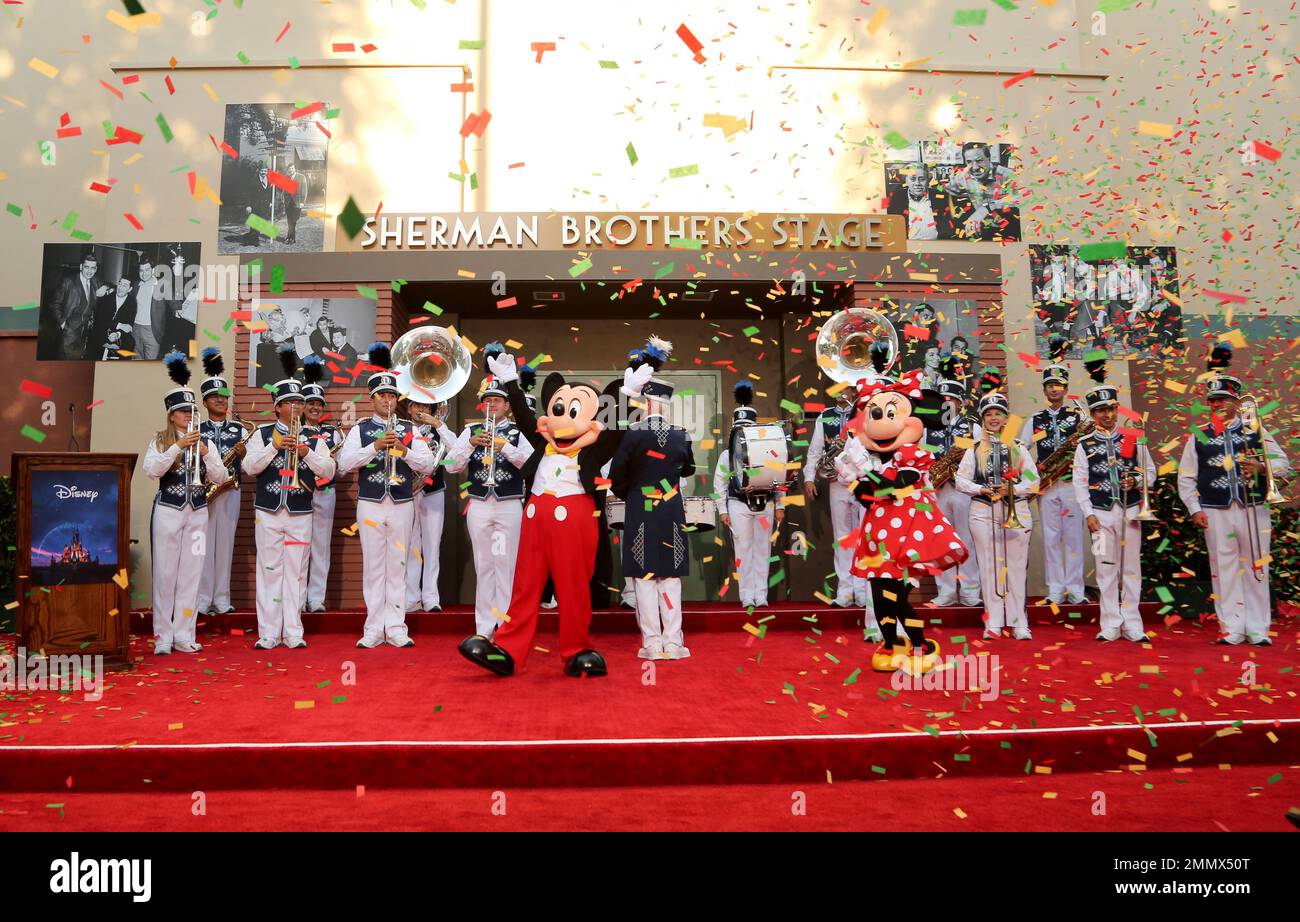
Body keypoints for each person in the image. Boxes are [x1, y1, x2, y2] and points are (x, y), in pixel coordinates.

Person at [458, 349, 651, 677]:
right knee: (524, 586)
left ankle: (577, 648)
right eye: (558, 409)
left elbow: (617, 431)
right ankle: (506, 649)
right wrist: (509, 382)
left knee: (573, 587)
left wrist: (629, 396)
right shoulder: (541, 444)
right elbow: (522, 416)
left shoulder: (592, 449)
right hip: (535, 518)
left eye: (572, 412)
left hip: (573, 519)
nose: (562, 419)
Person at [837, 363, 968, 674]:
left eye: (889, 415)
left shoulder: (913, 454)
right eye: (874, 415)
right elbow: (867, 496)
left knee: (897, 596)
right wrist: (854, 476)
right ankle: (891, 644)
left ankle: (922, 644)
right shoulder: (871, 459)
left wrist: (864, 472)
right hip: (878, 532)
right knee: (879, 595)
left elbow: (897, 487)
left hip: (909, 531)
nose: (881, 424)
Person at [1177, 344, 1291, 645]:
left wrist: (1261, 466)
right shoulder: (1199, 434)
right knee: (1223, 569)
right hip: (1215, 509)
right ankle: (1231, 627)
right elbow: (1186, 478)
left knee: (1256, 566)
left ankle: (1258, 628)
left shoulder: (1256, 430)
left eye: (1224, 400)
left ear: (1237, 401)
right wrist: (1194, 509)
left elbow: (1283, 464)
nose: (1218, 405)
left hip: (1253, 506)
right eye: (1213, 401)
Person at [335, 343, 437, 648]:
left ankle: (396, 627)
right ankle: (372, 628)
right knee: (374, 566)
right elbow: (343, 465)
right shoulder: (361, 429)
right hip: (370, 503)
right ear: (373, 399)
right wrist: (375, 448)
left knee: (398, 565)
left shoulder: (409, 428)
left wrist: (404, 450)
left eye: (392, 395)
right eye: (383, 396)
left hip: (403, 503)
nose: (388, 400)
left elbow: (429, 464)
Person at [240, 348, 335, 649]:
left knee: (296, 571)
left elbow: (329, 471)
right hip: (268, 510)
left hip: (300, 511)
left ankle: (293, 631)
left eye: (300, 402)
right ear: (278, 406)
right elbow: (248, 467)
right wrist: (273, 448)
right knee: (269, 570)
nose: (297, 407)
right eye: (291, 403)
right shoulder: (263, 434)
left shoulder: (313, 436)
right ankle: (268, 632)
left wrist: (306, 452)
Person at [609, 338, 695, 660]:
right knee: (670, 577)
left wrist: (631, 492)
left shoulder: (634, 434)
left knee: (644, 578)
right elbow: (686, 469)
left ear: (644, 402)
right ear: (666, 403)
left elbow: (617, 475)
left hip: (640, 508)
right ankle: (674, 641)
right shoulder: (680, 434)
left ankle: (652, 643)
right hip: (671, 507)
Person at [444, 347, 533, 638]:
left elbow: (531, 465)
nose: (492, 405)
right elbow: (451, 467)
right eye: (488, 401)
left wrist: (504, 447)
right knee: (484, 566)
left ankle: (505, 627)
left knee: (505, 565)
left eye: (498, 400)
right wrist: (471, 444)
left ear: (507, 405)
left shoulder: (519, 433)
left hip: (509, 502)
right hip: (479, 504)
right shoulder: (469, 431)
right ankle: (483, 628)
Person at [144, 353, 228, 655]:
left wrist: (206, 453)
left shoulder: (206, 440)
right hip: (168, 510)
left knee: (192, 574)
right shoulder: (160, 440)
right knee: (165, 574)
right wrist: (177, 447)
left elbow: (221, 476)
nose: (189, 418)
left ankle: (184, 634)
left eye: (192, 412)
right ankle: (163, 637)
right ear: (171, 415)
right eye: (183, 413)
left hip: (197, 511)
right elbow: (151, 470)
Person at [1072, 363, 1155, 643]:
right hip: (1100, 515)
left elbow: (1150, 472)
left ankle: (1132, 623)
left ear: (1116, 409)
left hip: (1131, 512)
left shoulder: (1131, 438)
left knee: (1131, 569)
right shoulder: (1084, 444)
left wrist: (1138, 481)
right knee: (1105, 569)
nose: (1106, 415)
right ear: (1093, 414)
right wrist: (1087, 514)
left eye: (1110, 409)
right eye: (1100, 411)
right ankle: (1109, 623)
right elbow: (1079, 482)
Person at [956, 392, 1038, 640]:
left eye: (998, 414)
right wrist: (980, 488)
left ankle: (1019, 623)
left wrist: (1012, 489)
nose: (993, 418)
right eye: (988, 414)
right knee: (989, 567)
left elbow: (1034, 481)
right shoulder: (974, 448)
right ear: (983, 419)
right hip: (982, 511)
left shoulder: (1018, 447)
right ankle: (992, 622)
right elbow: (960, 479)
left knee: (1016, 568)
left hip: (1016, 510)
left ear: (1006, 418)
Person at [1021, 347, 1087, 605]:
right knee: (1050, 538)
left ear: (1066, 388)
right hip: (1047, 485)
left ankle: (1076, 589)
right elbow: (1021, 450)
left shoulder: (1078, 416)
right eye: (1050, 385)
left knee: (1073, 537)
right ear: (1044, 389)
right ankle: (1055, 590)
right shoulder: (1035, 419)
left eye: (1059, 385)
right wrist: (1032, 473)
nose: (1054, 389)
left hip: (1071, 484)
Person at [716, 382, 785, 609]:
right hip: (738, 504)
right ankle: (746, 595)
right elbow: (720, 483)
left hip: (764, 503)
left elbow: (778, 477)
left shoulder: (768, 451)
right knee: (743, 550)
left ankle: (761, 595)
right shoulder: (727, 454)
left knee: (763, 549)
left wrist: (780, 504)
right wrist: (723, 510)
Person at [802, 383, 868, 607]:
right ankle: (845, 591)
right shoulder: (825, 416)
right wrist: (809, 477)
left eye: (846, 388)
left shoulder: (863, 413)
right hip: (836, 482)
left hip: (861, 481)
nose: (840, 392)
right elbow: (814, 451)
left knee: (861, 536)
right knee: (841, 539)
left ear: (854, 392)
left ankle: (862, 590)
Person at [196, 348, 247, 616]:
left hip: (230, 490)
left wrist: (243, 453)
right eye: (215, 397)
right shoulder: (197, 430)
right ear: (205, 402)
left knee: (225, 544)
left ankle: (223, 597)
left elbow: (249, 465)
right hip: (203, 493)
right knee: (203, 545)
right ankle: (203, 599)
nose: (221, 401)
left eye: (224, 397)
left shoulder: (240, 429)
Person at [928, 377, 983, 607]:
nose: (948, 403)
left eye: (952, 400)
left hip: (964, 491)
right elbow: (923, 458)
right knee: (940, 541)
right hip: (938, 490)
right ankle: (946, 591)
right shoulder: (929, 427)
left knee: (967, 540)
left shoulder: (973, 427)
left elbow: (984, 457)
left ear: (961, 403)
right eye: (944, 400)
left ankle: (970, 592)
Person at [404, 397, 458, 613]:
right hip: (407, 492)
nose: (420, 409)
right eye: (416, 405)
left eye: (425, 406)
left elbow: (456, 450)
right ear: (408, 408)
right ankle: (412, 596)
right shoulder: (403, 429)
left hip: (433, 491)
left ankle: (430, 596)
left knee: (432, 545)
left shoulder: (438, 430)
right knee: (412, 546)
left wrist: (438, 424)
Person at [302, 368, 343, 612]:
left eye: (319, 403)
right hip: (300, 491)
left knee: (321, 545)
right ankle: (297, 597)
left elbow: (341, 466)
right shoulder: (293, 430)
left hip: (326, 491)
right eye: (310, 403)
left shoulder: (334, 432)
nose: (315, 407)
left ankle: (316, 598)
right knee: (299, 545)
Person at [49, 249, 109, 360]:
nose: (89, 271)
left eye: (92, 268)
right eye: (87, 267)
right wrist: (62, 323)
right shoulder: (68, 282)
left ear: (96, 269)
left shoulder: (95, 282)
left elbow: (112, 286)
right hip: (68, 331)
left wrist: (105, 288)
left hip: (85, 333)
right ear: (81, 267)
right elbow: (54, 304)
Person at [885, 161, 955, 240]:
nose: (917, 183)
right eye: (913, 179)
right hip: (908, 248)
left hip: (937, 247)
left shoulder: (941, 198)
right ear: (906, 181)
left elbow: (949, 227)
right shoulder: (897, 199)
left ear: (928, 181)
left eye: (922, 179)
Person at [130, 256, 168, 360]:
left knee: (150, 362)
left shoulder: (161, 285)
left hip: (152, 330)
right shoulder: (136, 285)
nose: (144, 273)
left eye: (147, 270)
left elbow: (173, 299)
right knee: (135, 359)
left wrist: (178, 308)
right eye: (141, 270)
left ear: (153, 270)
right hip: (135, 328)